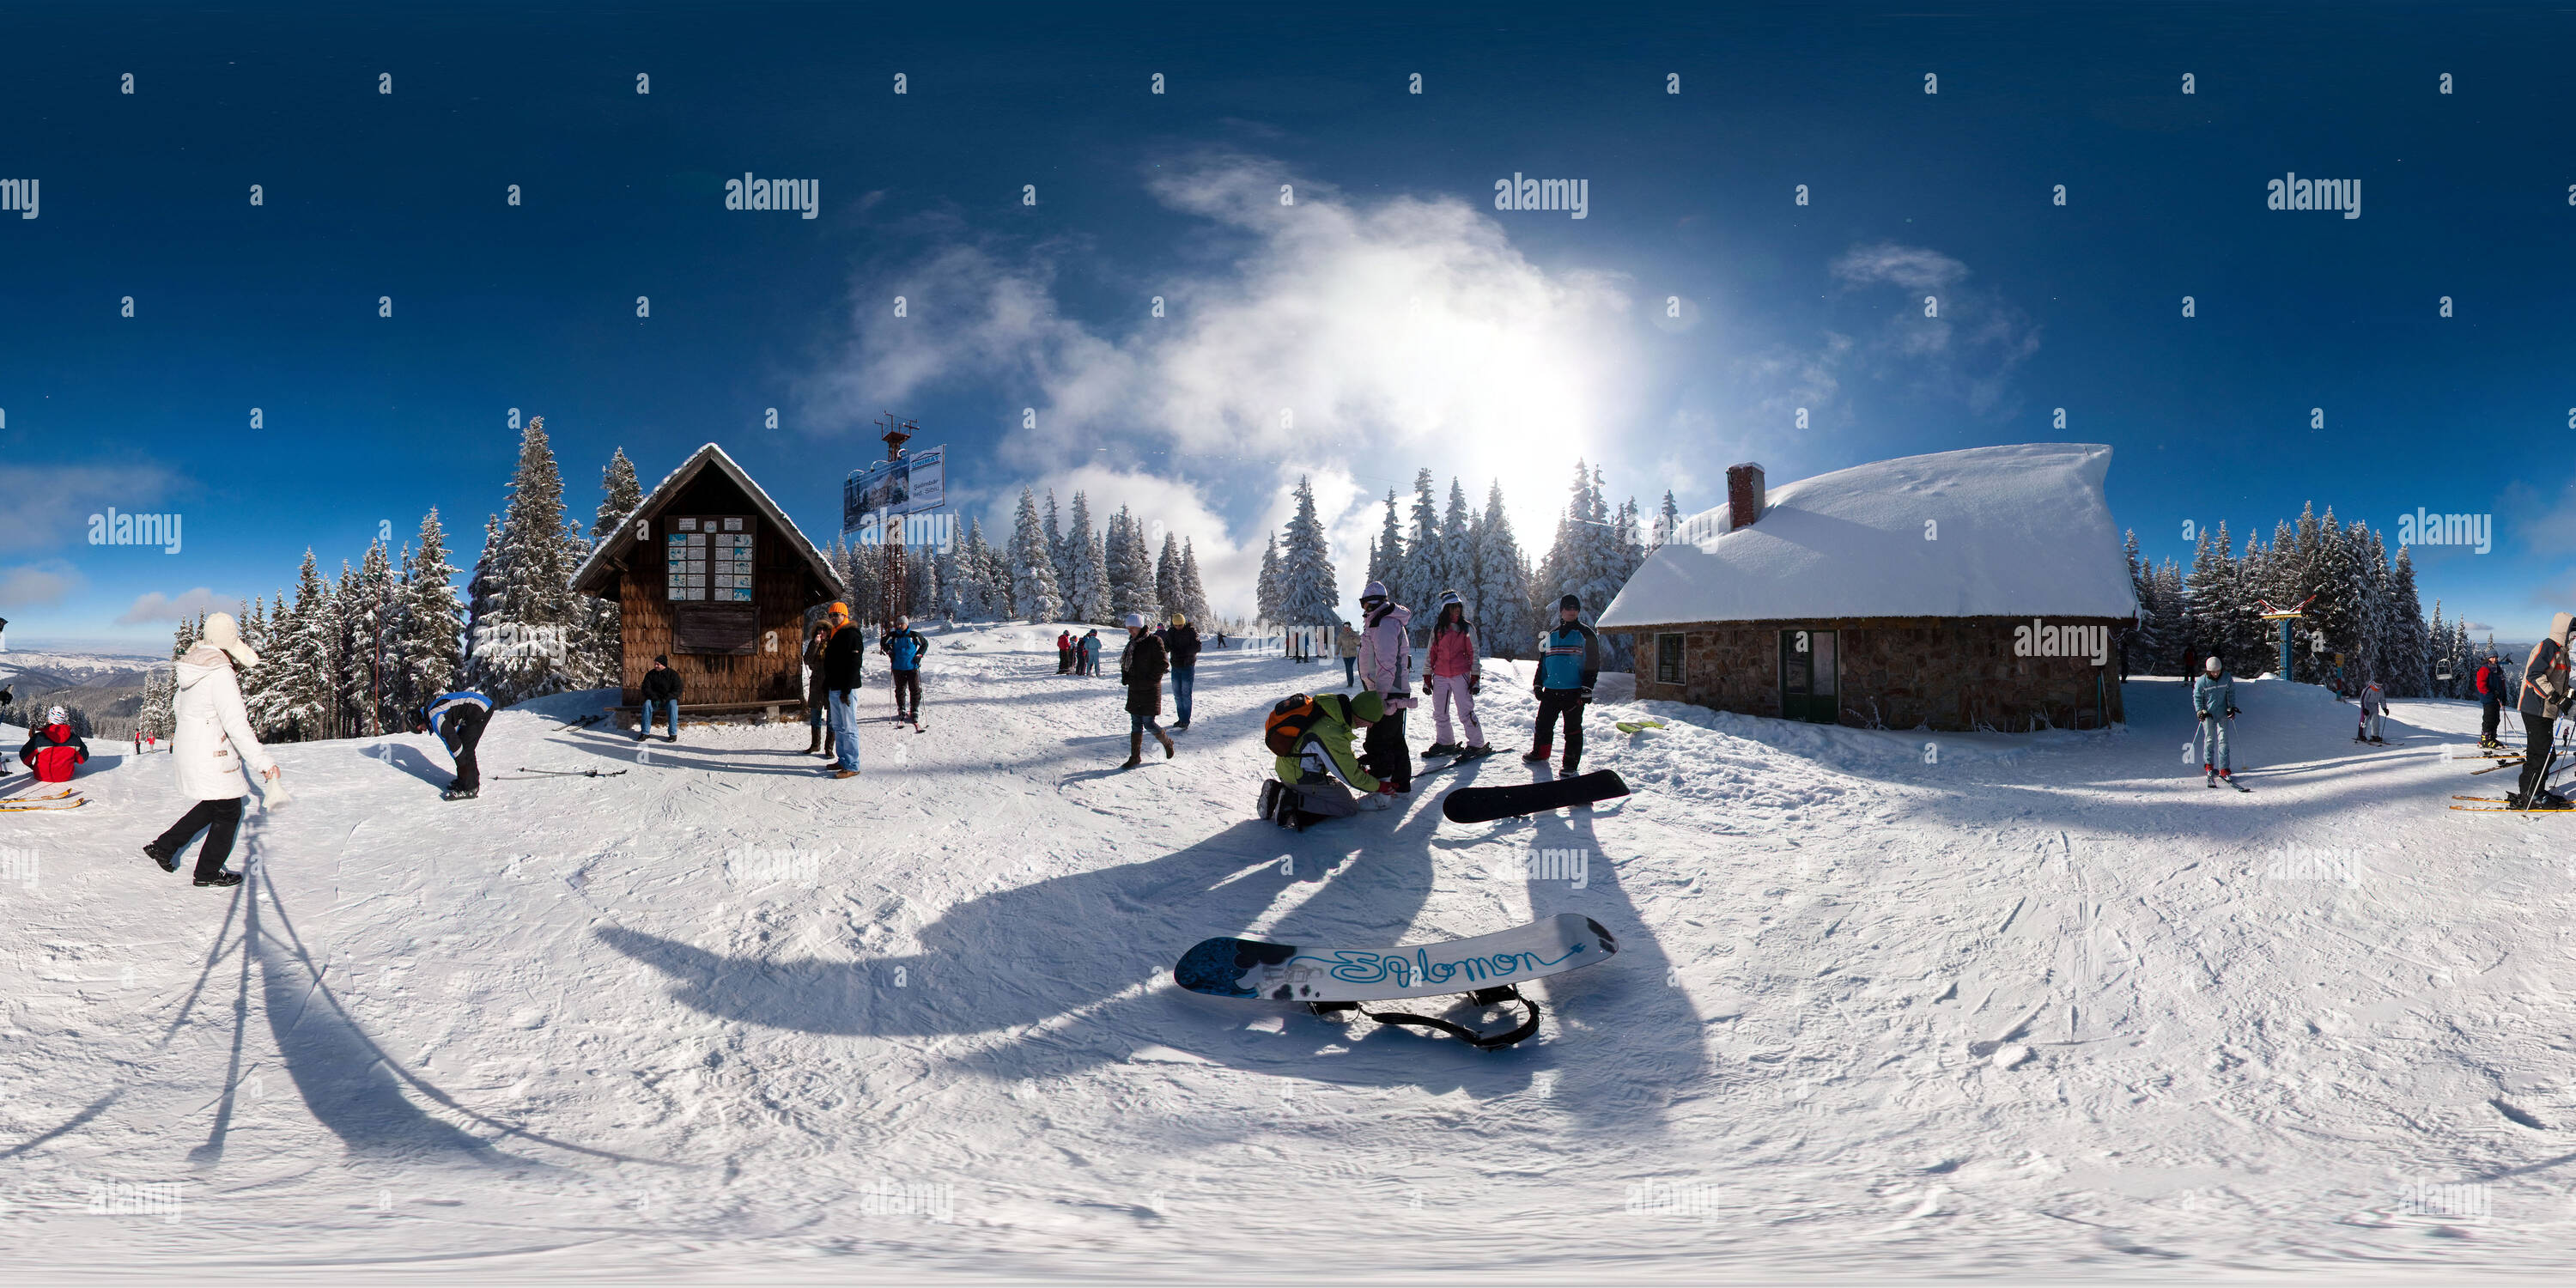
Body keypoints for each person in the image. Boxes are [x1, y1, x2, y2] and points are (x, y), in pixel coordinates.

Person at [143, 611, 279, 888]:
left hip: (189, 748)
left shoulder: (191, 666)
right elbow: (236, 724)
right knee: (229, 810)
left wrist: (196, 732)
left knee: (217, 803)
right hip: (211, 753)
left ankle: (164, 847)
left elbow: (178, 707)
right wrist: (263, 763)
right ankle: (206, 872)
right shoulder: (220, 673)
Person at [1261, 690, 1399, 829]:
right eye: (1371, 722)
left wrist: (1361, 769)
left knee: (1337, 794)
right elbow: (1350, 776)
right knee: (1348, 807)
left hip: (1288, 770)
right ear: (1362, 715)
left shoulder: (1332, 710)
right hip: (1300, 777)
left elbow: (1343, 754)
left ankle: (1278, 790)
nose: (1370, 726)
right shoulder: (1331, 732)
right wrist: (1379, 786)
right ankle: (1292, 803)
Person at [1525, 593, 1601, 773]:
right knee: (1543, 724)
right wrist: (1538, 683)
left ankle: (1570, 764)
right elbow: (1543, 662)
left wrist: (1587, 688)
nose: (1572, 611)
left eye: (1575, 608)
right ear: (1561, 610)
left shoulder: (1586, 634)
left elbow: (1593, 663)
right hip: (1551, 690)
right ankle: (1540, 753)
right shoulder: (1552, 635)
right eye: (1568, 607)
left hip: (1574, 692)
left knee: (1572, 730)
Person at [1354, 581, 1416, 792]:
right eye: (1363, 605)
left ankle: (1383, 781)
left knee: (1378, 740)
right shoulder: (1380, 621)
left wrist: (1379, 696)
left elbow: (1386, 663)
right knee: (1393, 737)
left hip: (1388, 690)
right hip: (1389, 688)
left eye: (1366, 604)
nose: (1365, 609)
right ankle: (1399, 780)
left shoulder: (1384, 623)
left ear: (1375, 603)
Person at [2512, 612, 2573, 811]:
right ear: (2565, 631)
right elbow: (2534, 675)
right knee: (2542, 754)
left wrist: (2568, 694)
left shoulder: (2562, 651)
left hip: (2545, 709)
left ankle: (2534, 790)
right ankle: (2531, 795)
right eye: (2573, 632)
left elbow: (2556, 680)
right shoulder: (2549, 646)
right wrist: (2556, 698)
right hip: (2536, 708)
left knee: (2545, 753)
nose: (2575, 636)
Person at [1422, 591, 1489, 756]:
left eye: (1459, 606)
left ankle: (1477, 745)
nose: (1457, 609)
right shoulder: (1438, 629)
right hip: (1440, 676)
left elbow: (1474, 652)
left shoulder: (1466, 628)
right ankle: (1446, 743)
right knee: (1439, 712)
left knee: (1465, 712)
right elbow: (1431, 653)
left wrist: (1475, 677)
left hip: (1461, 674)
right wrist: (1427, 677)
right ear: (1446, 609)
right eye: (1453, 607)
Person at [1118, 612, 1175, 769]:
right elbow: (1127, 664)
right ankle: (1135, 757)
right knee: (1135, 723)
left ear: (1140, 626)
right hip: (1135, 688)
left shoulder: (1154, 641)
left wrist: (1150, 680)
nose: (1130, 631)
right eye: (1128, 628)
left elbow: (1163, 664)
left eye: (1132, 628)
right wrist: (1126, 676)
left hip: (1150, 689)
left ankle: (1167, 742)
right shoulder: (1132, 643)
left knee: (1148, 723)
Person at [414, 690, 492, 799]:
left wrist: (462, 765)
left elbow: (452, 741)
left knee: (465, 749)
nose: (423, 730)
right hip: (477, 707)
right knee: (464, 746)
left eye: (420, 728)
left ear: (418, 720)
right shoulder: (433, 713)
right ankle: (467, 780)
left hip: (479, 708)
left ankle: (470, 788)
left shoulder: (435, 717)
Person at [822, 601, 866, 779]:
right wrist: (828, 684)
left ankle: (853, 765)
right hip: (835, 688)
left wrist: (846, 689)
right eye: (831, 615)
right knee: (838, 726)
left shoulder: (851, 635)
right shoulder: (835, 635)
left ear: (844, 615)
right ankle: (843, 760)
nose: (833, 618)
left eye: (836, 615)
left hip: (846, 689)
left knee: (849, 728)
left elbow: (854, 664)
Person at [2193, 655, 2239, 785]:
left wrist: (2231, 707)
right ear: (2208, 671)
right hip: (2209, 715)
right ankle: (2209, 765)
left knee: (2223, 740)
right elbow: (2197, 697)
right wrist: (2200, 711)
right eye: (2213, 671)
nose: (2216, 673)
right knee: (2209, 739)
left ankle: (2224, 768)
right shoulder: (2202, 681)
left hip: (2223, 713)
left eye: (2218, 671)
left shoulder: (2226, 677)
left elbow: (2231, 692)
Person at [19, 706, 90, 783]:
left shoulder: (39, 738)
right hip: (66, 776)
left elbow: (24, 757)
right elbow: (83, 758)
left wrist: (31, 765)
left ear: (49, 719)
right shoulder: (74, 738)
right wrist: (70, 760)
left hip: (40, 776)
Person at [881, 617, 931, 723]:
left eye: (901, 624)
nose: (898, 626)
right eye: (897, 624)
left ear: (906, 624)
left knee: (915, 689)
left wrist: (919, 655)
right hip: (898, 667)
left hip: (912, 667)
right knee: (900, 689)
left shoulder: (914, 635)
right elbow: (883, 642)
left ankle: (914, 709)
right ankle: (901, 708)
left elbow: (925, 644)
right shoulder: (893, 636)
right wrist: (889, 652)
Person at [1163, 612, 1202, 731]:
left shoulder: (1191, 631)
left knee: (1186, 694)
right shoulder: (1171, 632)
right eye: (1176, 625)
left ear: (1184, 623)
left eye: (1180, 625)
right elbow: (1166, 646)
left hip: (1187, 666)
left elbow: (1198, 646)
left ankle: (1186, 720)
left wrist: (1185, 651)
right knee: (1177, 694)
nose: (1178, 627)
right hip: (1176, 666)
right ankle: (1181, 719)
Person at [805, 623, 834, 756]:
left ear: (829, 631)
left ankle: (829, 748)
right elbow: (807, 660)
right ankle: (815, 745)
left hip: (831, 684)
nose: (821, 632)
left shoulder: (834, 644)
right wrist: (815, 644)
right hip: (816, 685)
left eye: (824, 630)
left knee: (831, 719)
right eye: (819, 630)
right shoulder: (813, 643)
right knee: (815, 717)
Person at [640, 654, 683, 743]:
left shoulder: (673, 675)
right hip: (654, 700)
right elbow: (645, 688)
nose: (655, 666)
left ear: (664, 665)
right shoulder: (650, 674)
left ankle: (673, 734)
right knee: (647, 705)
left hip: (668, 700)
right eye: (655, 664)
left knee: (673, 706)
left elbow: (678, 690)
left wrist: (666, 699)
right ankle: (645, 733)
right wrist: (655, 698)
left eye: (657, 664)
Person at [2476, 651, 2507, 750]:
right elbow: (2481, 685)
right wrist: (2491, 693)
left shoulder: (2498, 670)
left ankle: (2492, 738)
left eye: (2496, 657)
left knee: (2496, 719)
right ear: (2488, 658)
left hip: (2496, 699)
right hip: (2488, 699)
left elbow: (2502, 684)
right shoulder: (2484, 669)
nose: (2494, 659)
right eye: (2492, 657)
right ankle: (2485, 740)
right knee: (2489, 719)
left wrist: (2503, 696)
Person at [2355, 679, 2387, 744]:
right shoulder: (2368, 689)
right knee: (2364, 721)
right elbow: (2363, 699)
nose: (2379, 687)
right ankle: (2361, 735)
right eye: (2377, 685)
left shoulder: (2381, 691)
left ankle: (2375, 736)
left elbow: (2382, 699)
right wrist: (2364, 708)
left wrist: (2384, 708)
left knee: (2375, 721)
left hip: (2375, 706)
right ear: (2374, 684)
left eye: (2380, 685)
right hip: (2367, 706)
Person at [1335, 621, 1364, 688]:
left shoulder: (1354, 634)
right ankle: (1349, 682)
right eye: (1345, 627)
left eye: (1347, 626)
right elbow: (1339, 643)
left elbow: (1359, 642)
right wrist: (1337, 651)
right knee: (1347, 668)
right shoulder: (1341, 635)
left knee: (1349, 667)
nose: (1346, 628)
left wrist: (1353, 638)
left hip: (1352, 654)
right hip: (1345, 654)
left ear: (1350, 627)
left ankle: (1351, 683)